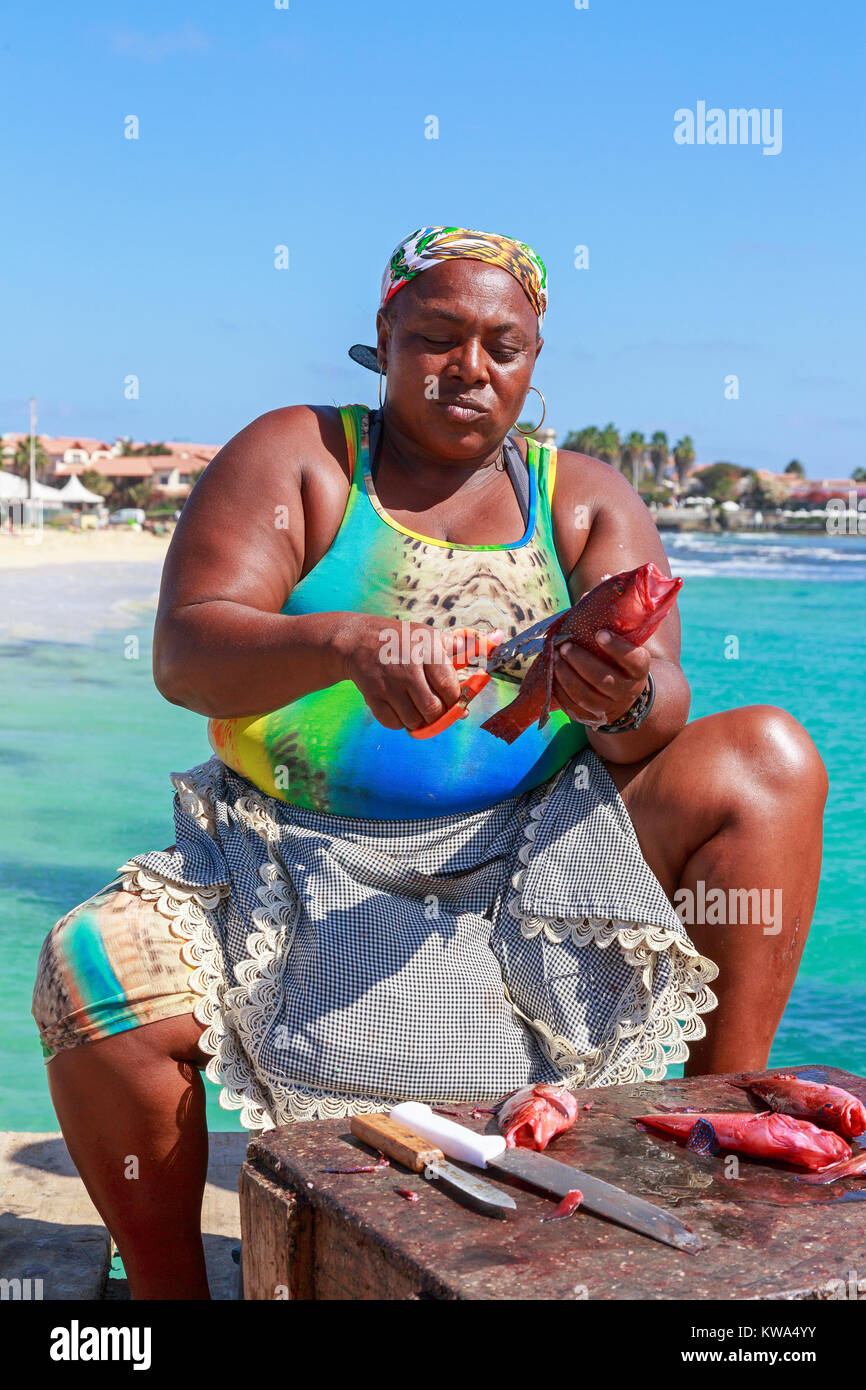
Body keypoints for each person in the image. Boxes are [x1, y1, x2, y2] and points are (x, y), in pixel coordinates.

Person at [32, 225, 827, 1299]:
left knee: (768, 756)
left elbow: (658, 711)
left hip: (537, 854)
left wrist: (621, 694)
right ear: (385, 334)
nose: (469, 368)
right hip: (289, 854)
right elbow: (186, 651)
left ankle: (708, 1146)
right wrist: (346, 643)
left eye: (502, 346)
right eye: (436, 336)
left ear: (534, 358)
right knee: (93, 976)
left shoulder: (579, 496)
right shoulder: (301, 457)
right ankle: (172, 1295)